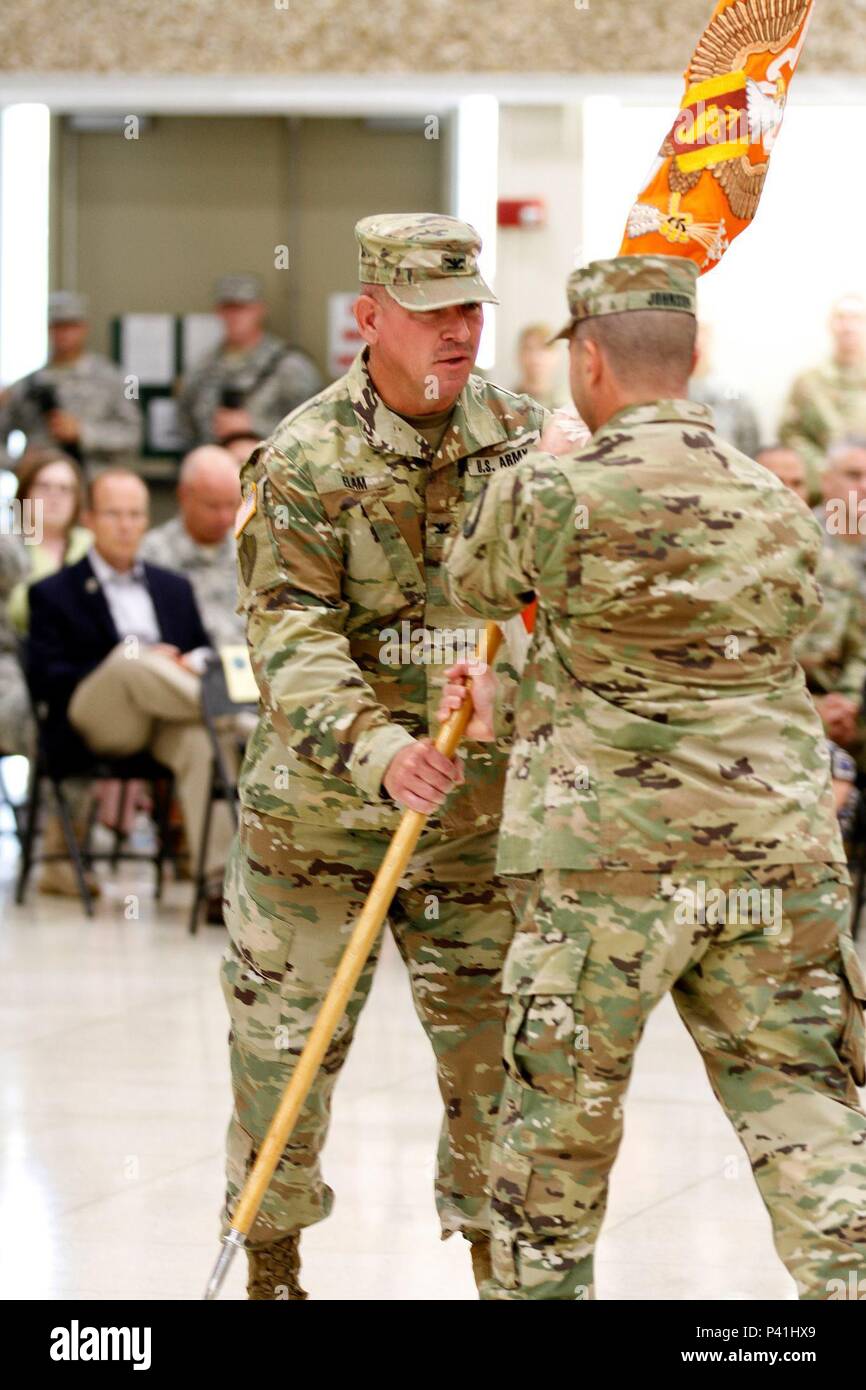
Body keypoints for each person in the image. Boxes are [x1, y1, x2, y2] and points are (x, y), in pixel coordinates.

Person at [441, 255, 866, 1301]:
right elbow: (787, 629)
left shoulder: (549, 486)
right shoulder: (774, 496)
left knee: (556, 1143)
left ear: (586, 359)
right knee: (808, 1119)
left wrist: (534, 459)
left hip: (605, 868)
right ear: (694, 359)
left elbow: (470, 578)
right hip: (771, 853)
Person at [221, 212, 550, 1300]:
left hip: (474, 831)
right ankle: (271, 1268)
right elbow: (288, 634)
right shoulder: (305, 456)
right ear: (369, 317)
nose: (458, 329)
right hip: (318, 824)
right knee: (283, 1060)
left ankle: (502, 1271)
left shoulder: (527, 441)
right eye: (431, 310)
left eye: (470, 307)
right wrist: (377, 747)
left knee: (499, 1071)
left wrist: (525, 676)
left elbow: (564, 611)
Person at [27, 469, 234, 911]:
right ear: (90, 519)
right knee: (129, 656)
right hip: (98, 716)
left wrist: (181, 660)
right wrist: (135, 659)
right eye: (114, 514)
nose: (125, 524)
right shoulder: (53, 592)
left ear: (147, 521)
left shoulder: (173, 587)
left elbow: (202, 651)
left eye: (135, 514)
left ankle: (217, 885)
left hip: (166, 715)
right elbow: (47, 677)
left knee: (200, 741)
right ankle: (238, 714)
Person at [755, 443, 864, 835]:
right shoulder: (725, 567)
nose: (788, 492)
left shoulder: (833, 569)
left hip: (829, 719)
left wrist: (846, 703)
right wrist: (812, 709)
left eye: (798, 483)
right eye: (776, 480)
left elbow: (858, 650)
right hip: (758, 722)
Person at [0, 292, 143, 474]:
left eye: (71, 326)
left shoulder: (117, 379)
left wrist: (83, 432)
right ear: (49, 329)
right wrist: (19, 464)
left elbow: (132, 435)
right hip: (40, 487)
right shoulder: (24, 386)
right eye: (58, 326)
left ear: (84, 328)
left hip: (93, 484)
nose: (64, 334)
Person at [178, 275, 322, 448]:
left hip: (273, 467)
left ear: (260, 310)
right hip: (213, 465)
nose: (235, 316)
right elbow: (186, 426)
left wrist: (255, 426)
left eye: (243, 308)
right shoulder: (202, 367)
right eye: (228, 308)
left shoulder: (290, 366)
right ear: (219, 311)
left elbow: (316, 428)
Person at [139, 446, 243, 647]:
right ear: (184, 496)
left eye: (231, 504)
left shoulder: (252, 553)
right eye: (213, 506)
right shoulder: (151, 556)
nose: (225, 517)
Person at [780, 295, 866, 502]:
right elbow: (791, 436)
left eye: (856, 318)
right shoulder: (808, 382)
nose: (848, 326)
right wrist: (827, 472)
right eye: (841, 318)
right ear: (831, 325)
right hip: (823, 497)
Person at [690, 320, 760, 457]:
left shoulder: (734, 393)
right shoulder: (669, 390)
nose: (697, 341)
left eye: (702, 333)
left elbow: (750, 443)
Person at [512, 323, 566, 411]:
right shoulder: (501, 404)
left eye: (544, 348)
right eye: (529, 348)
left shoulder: (568, 409)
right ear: (519, 354)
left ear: (556, 355)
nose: (535, 356)